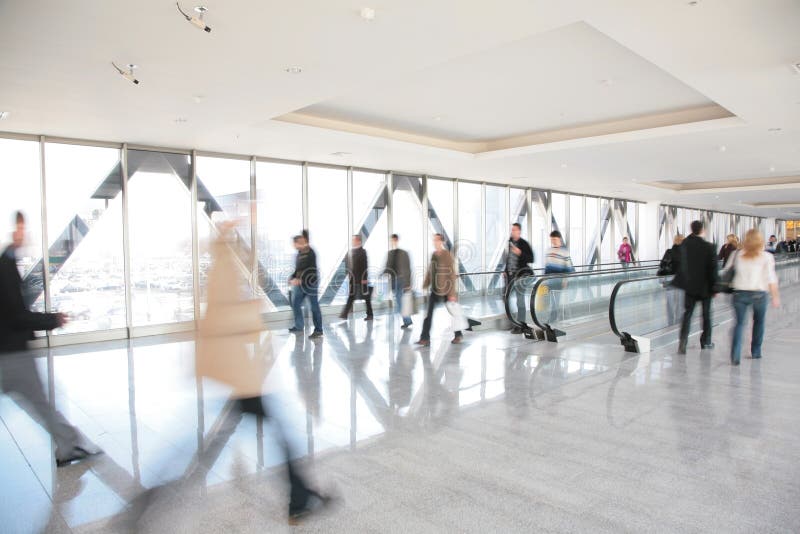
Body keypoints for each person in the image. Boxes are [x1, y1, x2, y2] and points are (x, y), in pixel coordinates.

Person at [0, 211, 101, 467]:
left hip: (10, 350)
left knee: (40, 402)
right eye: (19, 228)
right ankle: (68, 445)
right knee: (41, 402)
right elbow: (17, 316)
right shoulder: (5, 267)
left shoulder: (7, 264)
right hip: (12, 353)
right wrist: (53, 320)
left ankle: (67, 445)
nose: (22, 234)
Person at [722, 229, 781, 366]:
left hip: (739, 294)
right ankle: (756, 351)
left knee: (740, 323)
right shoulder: (766, 257)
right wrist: (775, 296)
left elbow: (726, 272)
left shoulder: (736, 254)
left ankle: (735, 354)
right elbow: (771, 279)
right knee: (759, 323)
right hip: (759, 294)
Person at [671, 220, 719, 355]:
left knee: (687, 314)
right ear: (702, 230)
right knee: (706, 315)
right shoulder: (709, 247)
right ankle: (706, 342)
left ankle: (683, 342)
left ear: (691, 229)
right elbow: (713, 270)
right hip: (705, 288)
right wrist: (715, 288)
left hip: (689, 286)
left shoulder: (684, 245)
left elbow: (680, 264)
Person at [417, 233, 463, 346]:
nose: (435, 242)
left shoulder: (446, 255)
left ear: (442, 242)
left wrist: (451, 293)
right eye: (434, 240)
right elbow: (430, 271)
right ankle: (425, 338)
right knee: (429, 314)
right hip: (435, 289)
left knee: (453, 313)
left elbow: (451, 274)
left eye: (437, 240)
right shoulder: (434, 255)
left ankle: (458, 334)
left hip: (446, 290)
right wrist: (425, 284)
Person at [289, 231, 323, 339]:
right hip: (300, 285)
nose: (293, 246)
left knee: (314, 307)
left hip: (310, 284)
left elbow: (311, 270)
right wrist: (292, 277)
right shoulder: (299, 253)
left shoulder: (310, 253)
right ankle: (299, 326)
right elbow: (298, 269)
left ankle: (318, 330)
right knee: (295, 303)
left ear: (299, 243)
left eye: (294, 244)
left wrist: (300, 280)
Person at [503, 223, 534, 333]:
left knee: (520, 301)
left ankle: (521, 325)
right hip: (510, 276)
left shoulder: (524, 244)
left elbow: (531, 258)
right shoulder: (509, 243)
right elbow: (508, 258)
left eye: (515, 230)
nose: (513, 231)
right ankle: (514, 323)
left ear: (519, 231)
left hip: (521, 277)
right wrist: (505, 270)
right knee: (507, 300)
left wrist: (520, 253)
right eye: (512, 230)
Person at [339, 234, 373, 321]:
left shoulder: (363, 252)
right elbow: (348, 265)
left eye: (354, 240)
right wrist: (348, 274)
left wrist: (364, 278)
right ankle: (344, 314)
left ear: (358, 241)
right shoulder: (350, 252)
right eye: (352, 240)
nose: (352, 242)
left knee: (366, 298)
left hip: (361, 279)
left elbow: (365, 266)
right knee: (351, 296)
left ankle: (370, 314)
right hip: (353, 279)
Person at [383, 234, 413, 328]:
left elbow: (408, 268)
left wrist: (408, 283)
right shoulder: (390, 253)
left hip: (401, 280)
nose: (393, 242)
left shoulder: (404, 253)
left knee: (400, 301)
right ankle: (407, 319)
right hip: (394, 280)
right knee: (400, 301)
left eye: (394, 240)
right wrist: (382, 273)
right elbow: (387, 267)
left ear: (397, 240)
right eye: (392, 240)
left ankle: (407, 320)